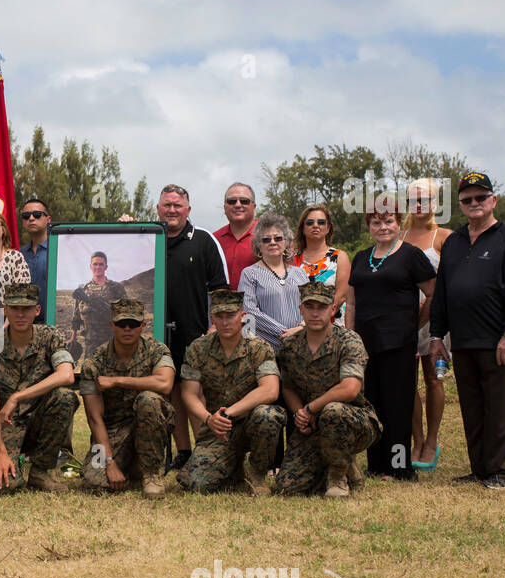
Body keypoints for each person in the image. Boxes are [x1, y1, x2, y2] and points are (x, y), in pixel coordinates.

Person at [429, 172, 505, 490]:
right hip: (462, 340)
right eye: (467, 199)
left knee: (498, 406)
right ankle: (480, 468)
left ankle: (502, 472)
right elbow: (442, 292)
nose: (474, 203)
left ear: (493, 201)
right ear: (461, 205)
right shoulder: (456, 242)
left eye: (480, 197)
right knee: (472, 407)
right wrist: (437, 336)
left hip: (498, 340)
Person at [345, 205, 436, 480]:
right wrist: (351, 337)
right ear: (369, 227)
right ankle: (377, 465)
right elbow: (351, 302)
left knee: (398, 406)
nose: (382, 227)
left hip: (399, 343)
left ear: (398, 224)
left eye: (388, 221)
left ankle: (399, 467)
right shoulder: (361, 258)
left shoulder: (411, 255)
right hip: (366, 344)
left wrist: (414, 324)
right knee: (373, 405)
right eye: (375, 222)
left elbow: (433, 294)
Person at [276, 281, 381, 497]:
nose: (315, 313)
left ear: (333, 309)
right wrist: (299, 414)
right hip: (312, 423)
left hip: (353, 420)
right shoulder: (290, 345)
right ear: (301, 309)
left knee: (333, 411)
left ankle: (338, 476)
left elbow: (350, 389)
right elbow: (287, 386)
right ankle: (344, 463)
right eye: (310, 307)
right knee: (287, 488)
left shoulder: (348, 340)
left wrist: (311, 408)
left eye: (322, 307)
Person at [178, 289, 284, 495]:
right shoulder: (198, 348)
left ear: (242, 316)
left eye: (231, 316)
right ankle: (234, 468)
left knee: (269, 415)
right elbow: (189, 394)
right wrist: (209, 420)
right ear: (212, 318)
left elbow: (270, 390)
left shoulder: (259, 347)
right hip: (217, 429)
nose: (225, 322)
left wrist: (228, 413)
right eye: (220, 316)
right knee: (195, 483)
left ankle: (257, 473)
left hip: (249, 425)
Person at [0, 283, 77, 493]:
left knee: (65, 397)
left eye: (27, 309)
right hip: (3, 424)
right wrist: (0, 451)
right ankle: (7, 460)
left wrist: (17, 397)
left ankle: (40, 472)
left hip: (37, 422)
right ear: (5, 309)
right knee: (5, 486)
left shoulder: (50, 336)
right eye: (14, 308)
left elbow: (67, 375)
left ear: (37, 310)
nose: (20, 314)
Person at [156, 184, 229, 471]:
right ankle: (183, 452)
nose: (172, 210)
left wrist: (214, 329)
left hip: (195, 333)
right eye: (166, 205)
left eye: (177, 205)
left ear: (188, 209)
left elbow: (221, 290)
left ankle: (205, 451)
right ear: (158, 209)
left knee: (194, 391)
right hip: (158, 334)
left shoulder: (204, 240)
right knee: (171, 392)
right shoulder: (149, 238)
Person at [78, 298, 175, 499]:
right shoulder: (94, 362)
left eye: (134, 324)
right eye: (122, 324)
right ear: (112, 325)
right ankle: (130, 464)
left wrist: (117, 381)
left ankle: (151, 474)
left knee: (148, 399)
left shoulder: (157, 350)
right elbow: (95, 418)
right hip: (113, 429)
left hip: (149, 425)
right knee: (93, 481)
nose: (127, 329)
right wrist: (110, 463)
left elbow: (165, 384)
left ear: (143, 326)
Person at [402, 178, 452, 470]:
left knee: (434, 379)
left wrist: (430, 314)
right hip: (403, 320)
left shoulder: (444, 237)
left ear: (435, 203)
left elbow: (447, 283)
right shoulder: (398, 234)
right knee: (408, 383)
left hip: (435, 321)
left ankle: (432, 441)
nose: (418, 205)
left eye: (424, 200)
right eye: (413, 200)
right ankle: (416, 440)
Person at [238, 212, 309, 350]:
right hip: (265, 349)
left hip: (301, 346)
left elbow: (311, 305)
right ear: (258, 244)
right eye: (266, 239)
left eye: (278, 238)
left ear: (287, 242)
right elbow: (249, 311)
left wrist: (301, 328)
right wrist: (285, 333)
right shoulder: (249, 274)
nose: (272, 242)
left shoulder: (300, 273)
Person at [290, 205, 350, 324]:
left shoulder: (339, 257)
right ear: (303, 228)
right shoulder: (291, 259)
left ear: (328, 228)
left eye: (321, 222)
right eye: (310, 222)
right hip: (294, 326)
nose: (315, 225)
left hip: (330, 326)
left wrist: (307, 323)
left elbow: (341, 296)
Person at [68, 252, 128, 363]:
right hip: (91, 343)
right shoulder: (83, 290)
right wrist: (73, 337)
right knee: (90, 376)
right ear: (90, 266)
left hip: (112, 341)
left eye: (101, 264)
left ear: (106, 267)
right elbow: (76, 316)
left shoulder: (115, 287)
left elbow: (127, 313)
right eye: (95, 264)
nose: (98, 267)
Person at [214, 182, 259, 290]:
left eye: (244, 201)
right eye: (231, 201)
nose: (238, 205)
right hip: (223, 306)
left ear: (254, 206)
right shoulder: (213, 240)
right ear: (224, 207)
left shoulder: (272, 236)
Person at [19, 198, 51, 324]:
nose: (31, 218)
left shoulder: (60, 251)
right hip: (23, 326)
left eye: (37, 214)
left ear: (48, 220)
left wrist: (118, 230)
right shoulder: (18, 255)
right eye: (26, 216)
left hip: (52, 325)